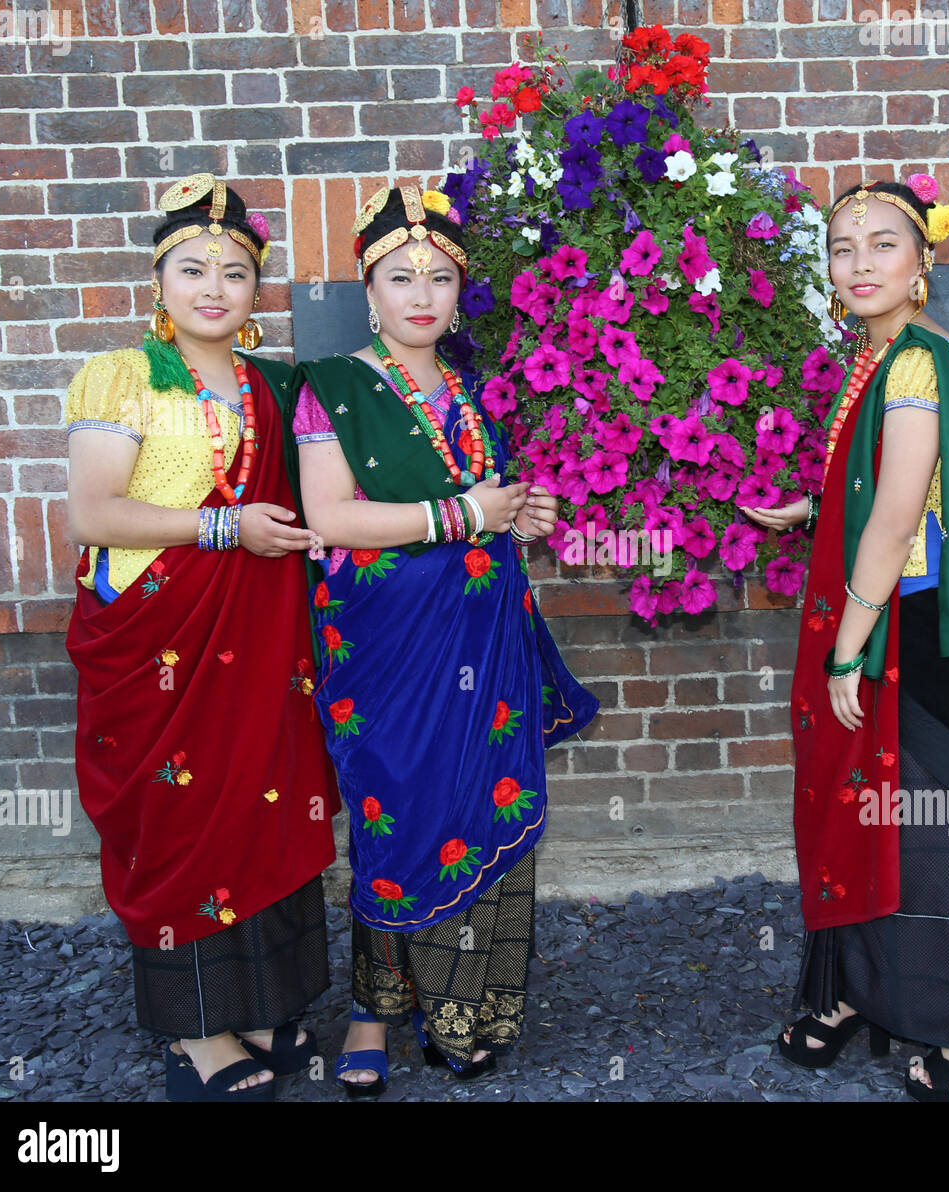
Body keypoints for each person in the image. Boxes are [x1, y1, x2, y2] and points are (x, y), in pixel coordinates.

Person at [286, 184, 598, 1096]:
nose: (420, 294)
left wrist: (515, 517)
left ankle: (470, 1011)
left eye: (438, 278)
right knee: (398, 817)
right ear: (368, 288)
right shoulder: (332, 389)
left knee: (477, 808)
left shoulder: (466, 394)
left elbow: (479, 516)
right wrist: (464, 512)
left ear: (458, 295)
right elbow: (332, 517)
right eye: (398, 277)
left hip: (478, 643)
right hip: (388, 650)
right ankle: (372, 1012)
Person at [748, 175, 949, 1101]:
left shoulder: (916, 362)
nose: (859, 263)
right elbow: (882, 495)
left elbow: (894, 515)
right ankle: (862, 996)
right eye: (843, 248)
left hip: (916, 637)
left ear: (925, 262)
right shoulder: (883, 359)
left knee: (931, 828)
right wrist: (811, 507)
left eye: (884, 243)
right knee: (864, 812)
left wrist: (850, 643)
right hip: (897, 619)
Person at [64, 174, 340, 1102]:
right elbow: (94, 511)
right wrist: (226, 529)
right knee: (184, 815)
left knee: (263, 797)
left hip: (262, 634)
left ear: (256, 288)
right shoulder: (125, 375)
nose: (214, 287)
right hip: (161, 639)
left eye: (234, 271)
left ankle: (267, 1004)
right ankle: (199, 1031)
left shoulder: (278, 384)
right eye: (192, 269)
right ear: (160, 281)